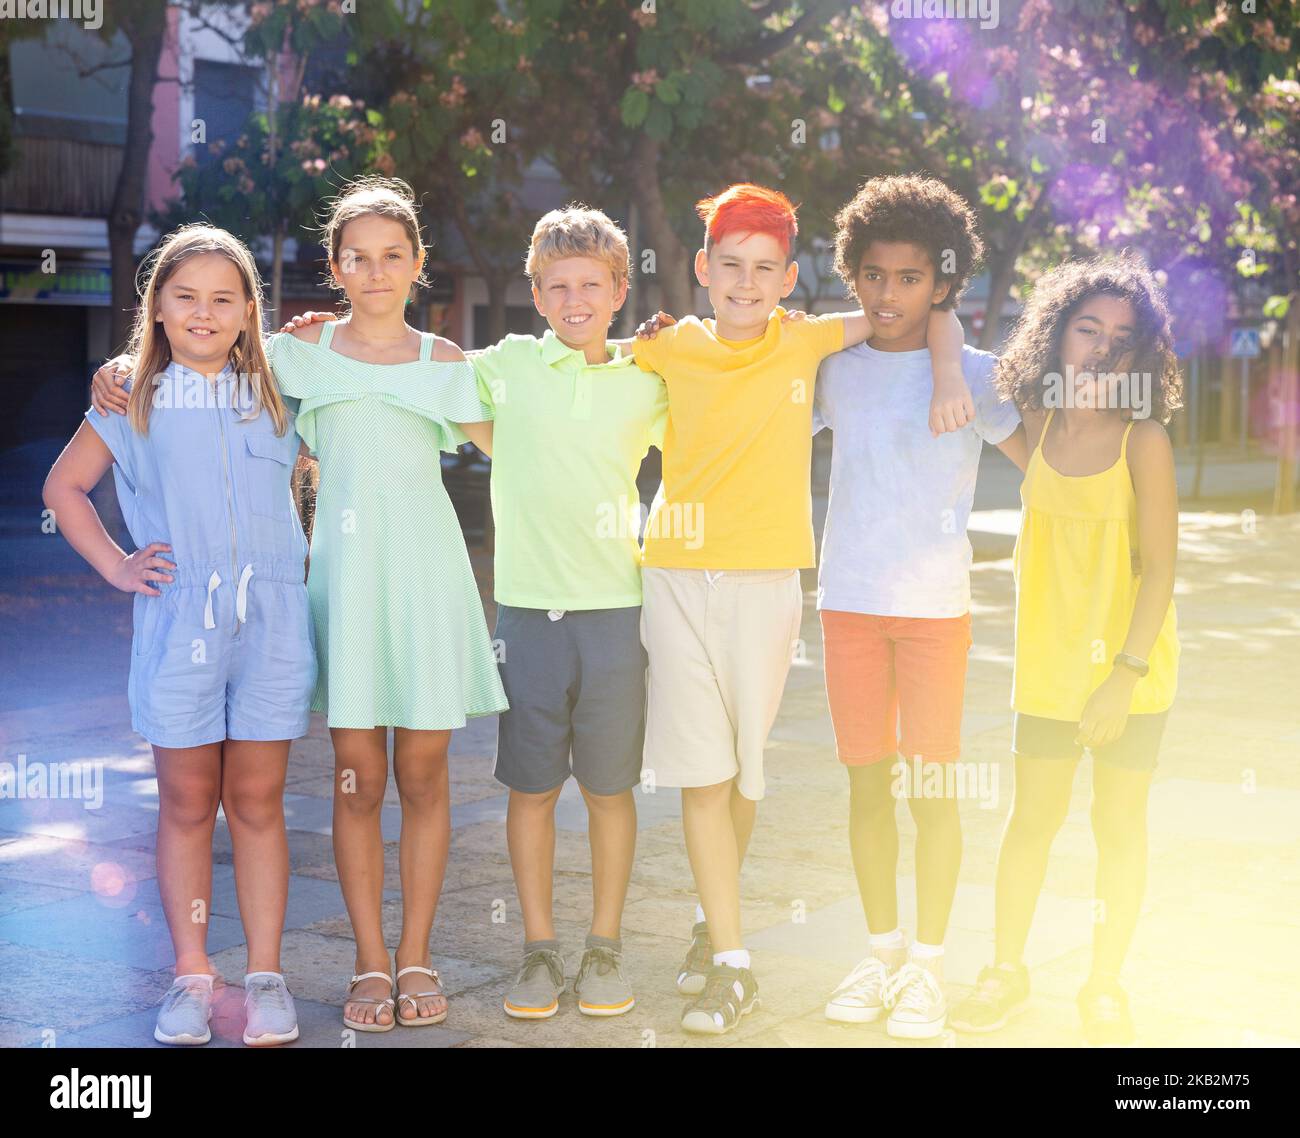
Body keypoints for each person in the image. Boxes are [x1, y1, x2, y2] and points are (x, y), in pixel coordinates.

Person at [629, 182, 973, 1035]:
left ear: (789, 279)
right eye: (730, 266)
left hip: (770, 585)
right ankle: (735, 961)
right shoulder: (667, 348)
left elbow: (925, 316)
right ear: (702, 268)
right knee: (702, 774)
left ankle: (718, 924)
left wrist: (942, 366)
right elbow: (578, 370)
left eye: (765, 269)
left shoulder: (807, 341)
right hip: (672, 576)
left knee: (745, 773)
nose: (745, 283)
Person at [48, 224, 314, 1046]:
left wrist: (310, 342)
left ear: (248, 312)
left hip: (271, 621)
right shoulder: (130, 398)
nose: (204, 312)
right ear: (157, 307)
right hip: (179, 624)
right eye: (186, 297)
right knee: (188, 802)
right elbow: (65, 488)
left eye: (223, 299)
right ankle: (192, 975)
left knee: (260, 801)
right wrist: (121, 566)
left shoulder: (282, 392)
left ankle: (267, 977)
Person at [814, 176, 1028, 1039]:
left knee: (931, 792)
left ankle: (931, 968)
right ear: (852, 275)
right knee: (866, 786)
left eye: (909, 279)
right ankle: (883, 953)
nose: (887, 294)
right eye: (872, 275)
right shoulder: (832, 369)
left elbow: (1041, 466)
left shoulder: (974, 373)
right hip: (850, 606)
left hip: (937, 612)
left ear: (944, 283)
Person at [950, 252, 1182, 1046]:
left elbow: (1159, 573)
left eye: (1122, 336)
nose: (1102, 348)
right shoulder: (1037, 426)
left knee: (1119, 827)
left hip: (1130, 673)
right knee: (1030, 823)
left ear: (1141, 353)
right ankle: (1006, 970)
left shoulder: (1144, 440)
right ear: (1057, 334)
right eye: (1088, 328)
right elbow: (951, 343)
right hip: (1047, 671)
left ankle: (1105, 983)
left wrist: (1122, 677)